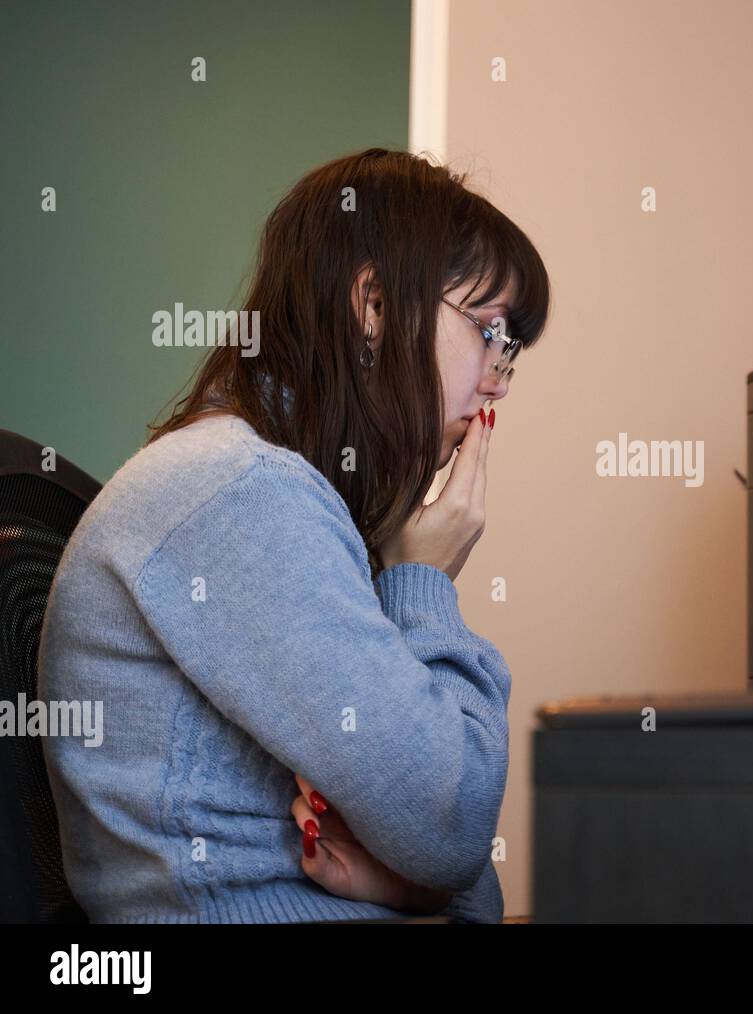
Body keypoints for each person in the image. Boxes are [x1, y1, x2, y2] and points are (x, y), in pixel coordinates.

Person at [37, 147, 550, 923]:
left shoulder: (275, 492)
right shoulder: (243, 493)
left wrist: (418, 885)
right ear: (374, 304)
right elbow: (455, 825)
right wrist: (426, 586)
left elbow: (463, 876)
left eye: (510, 353)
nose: (497, 381)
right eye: (489, 332)